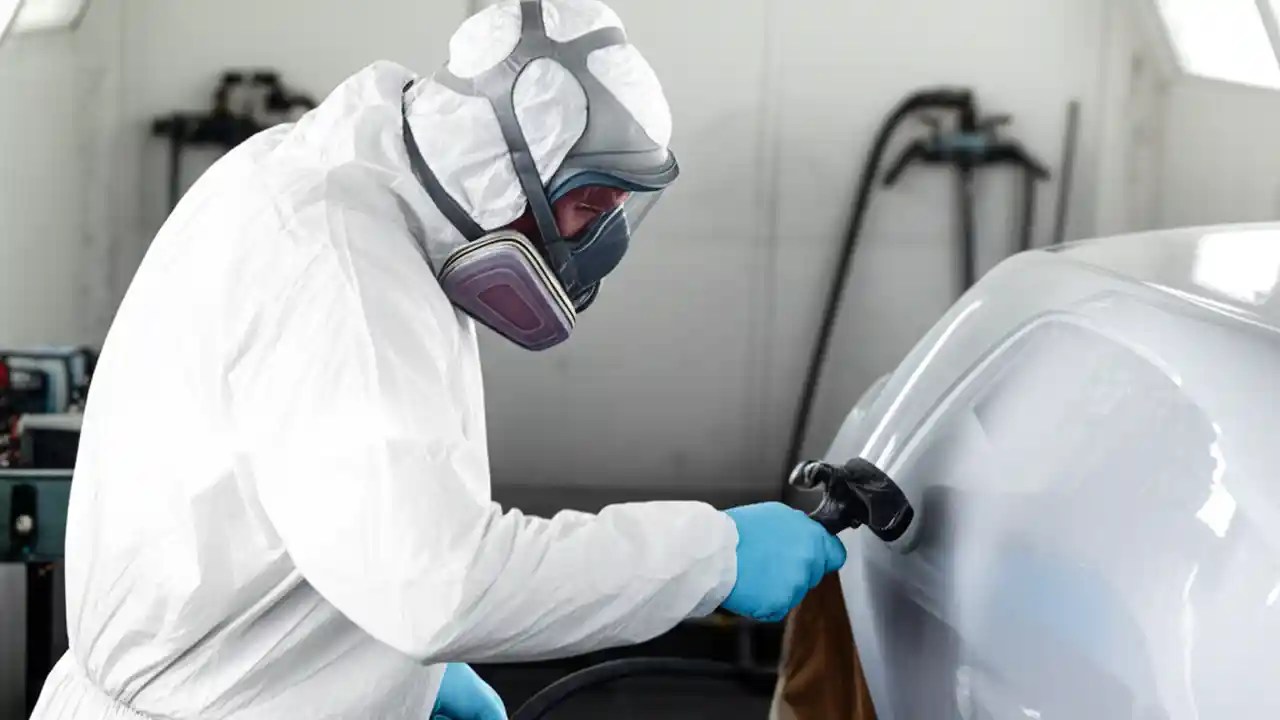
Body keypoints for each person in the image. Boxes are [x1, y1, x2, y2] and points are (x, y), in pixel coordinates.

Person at [31, 1, 847, 718]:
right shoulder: (344, 272)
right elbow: (439, 582)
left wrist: (382, 670)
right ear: (500, 173)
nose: (597, 244)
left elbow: (323, 501)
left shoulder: (342, 187)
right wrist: (712, 556)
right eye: (589, 203)